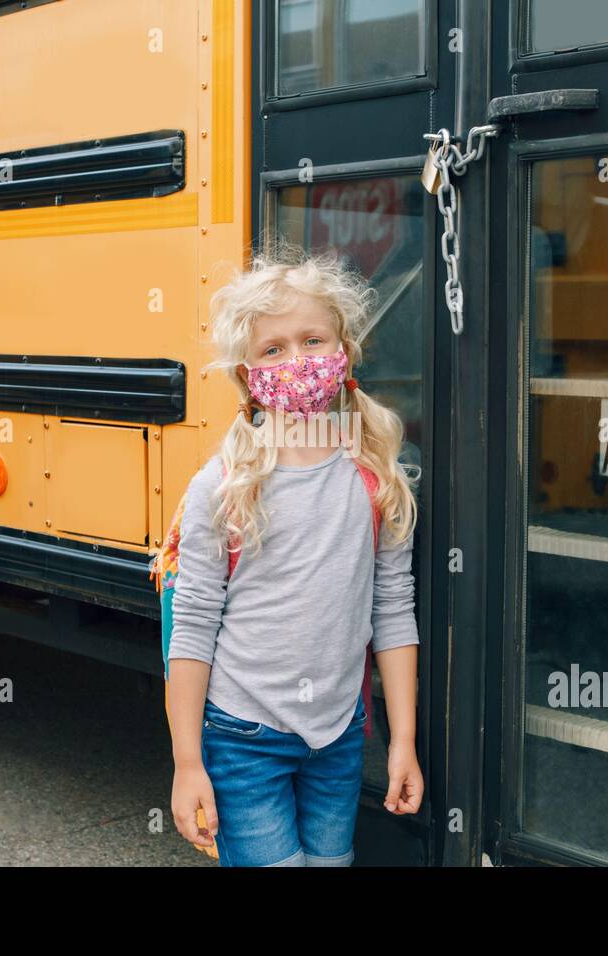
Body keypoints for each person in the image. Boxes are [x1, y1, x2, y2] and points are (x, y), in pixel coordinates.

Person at [166, 242, 423, 866]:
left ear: (344, 352)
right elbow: (193, 625)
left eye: (313, 340)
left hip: (336, 738)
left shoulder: (375, 479)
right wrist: (187, 763)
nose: (297, 360)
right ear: (247, 374)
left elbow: (391, 609)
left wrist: (403, 741)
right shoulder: (224, 486)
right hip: (243, 737)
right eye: (272, 350)